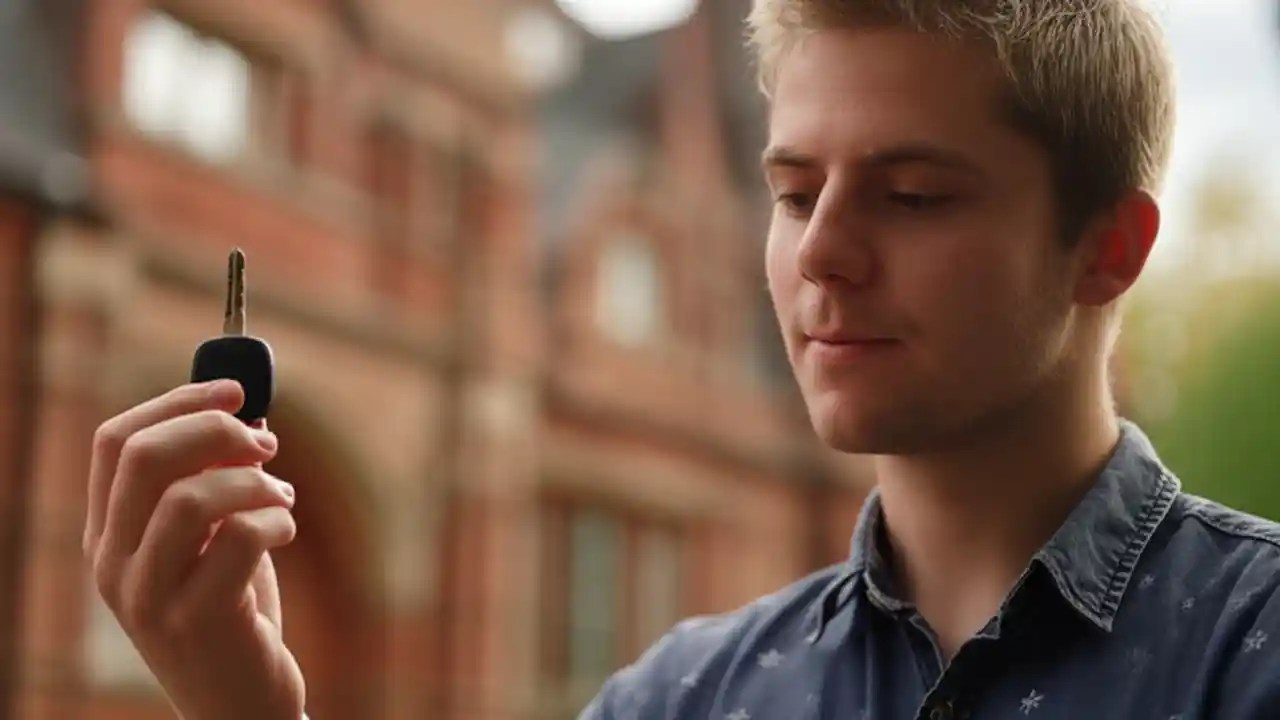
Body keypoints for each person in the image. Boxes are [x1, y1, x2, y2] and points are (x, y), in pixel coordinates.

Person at [81, 1, 1280, 719]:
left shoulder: (1248, 651)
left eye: (912, 196)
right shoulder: (682, 697)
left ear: (1105, 249)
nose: (821, 255)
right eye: (792, 191)